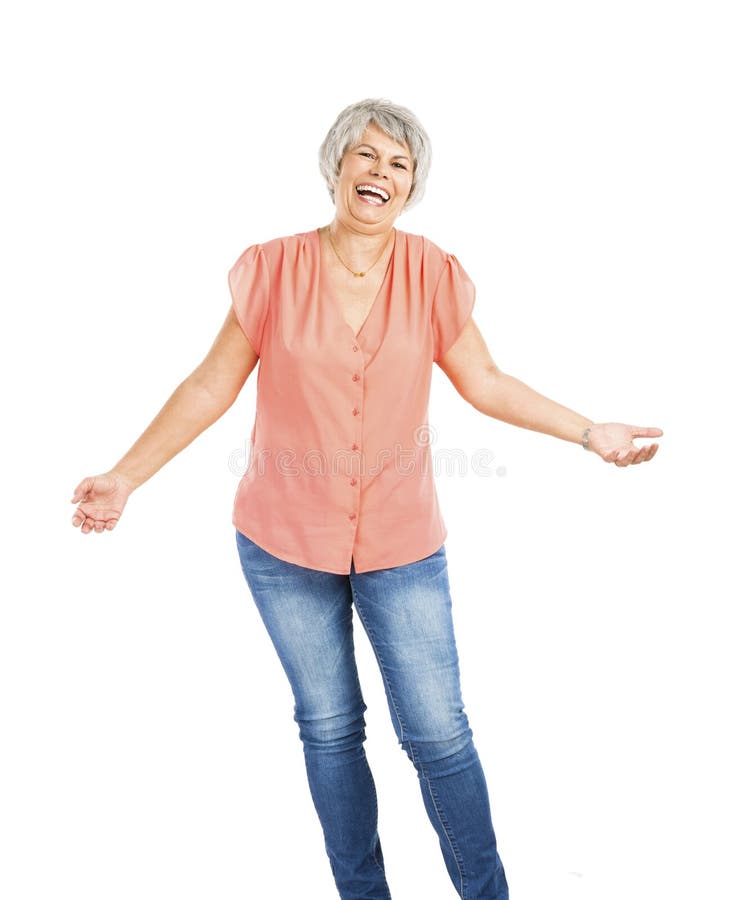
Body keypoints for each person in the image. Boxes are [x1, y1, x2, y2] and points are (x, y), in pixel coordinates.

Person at [70, 98, 663, 899]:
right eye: (366, 157)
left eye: (399, 164)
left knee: (439, 735)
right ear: (336, 167)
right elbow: (211, 383)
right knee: (328, 731)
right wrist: (125, 475)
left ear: (412, 188)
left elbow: (484, 382)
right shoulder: (273, 268)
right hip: (282, 544)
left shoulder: (431, 273)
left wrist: (588, 430)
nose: (380, 173)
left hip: (401, 542)